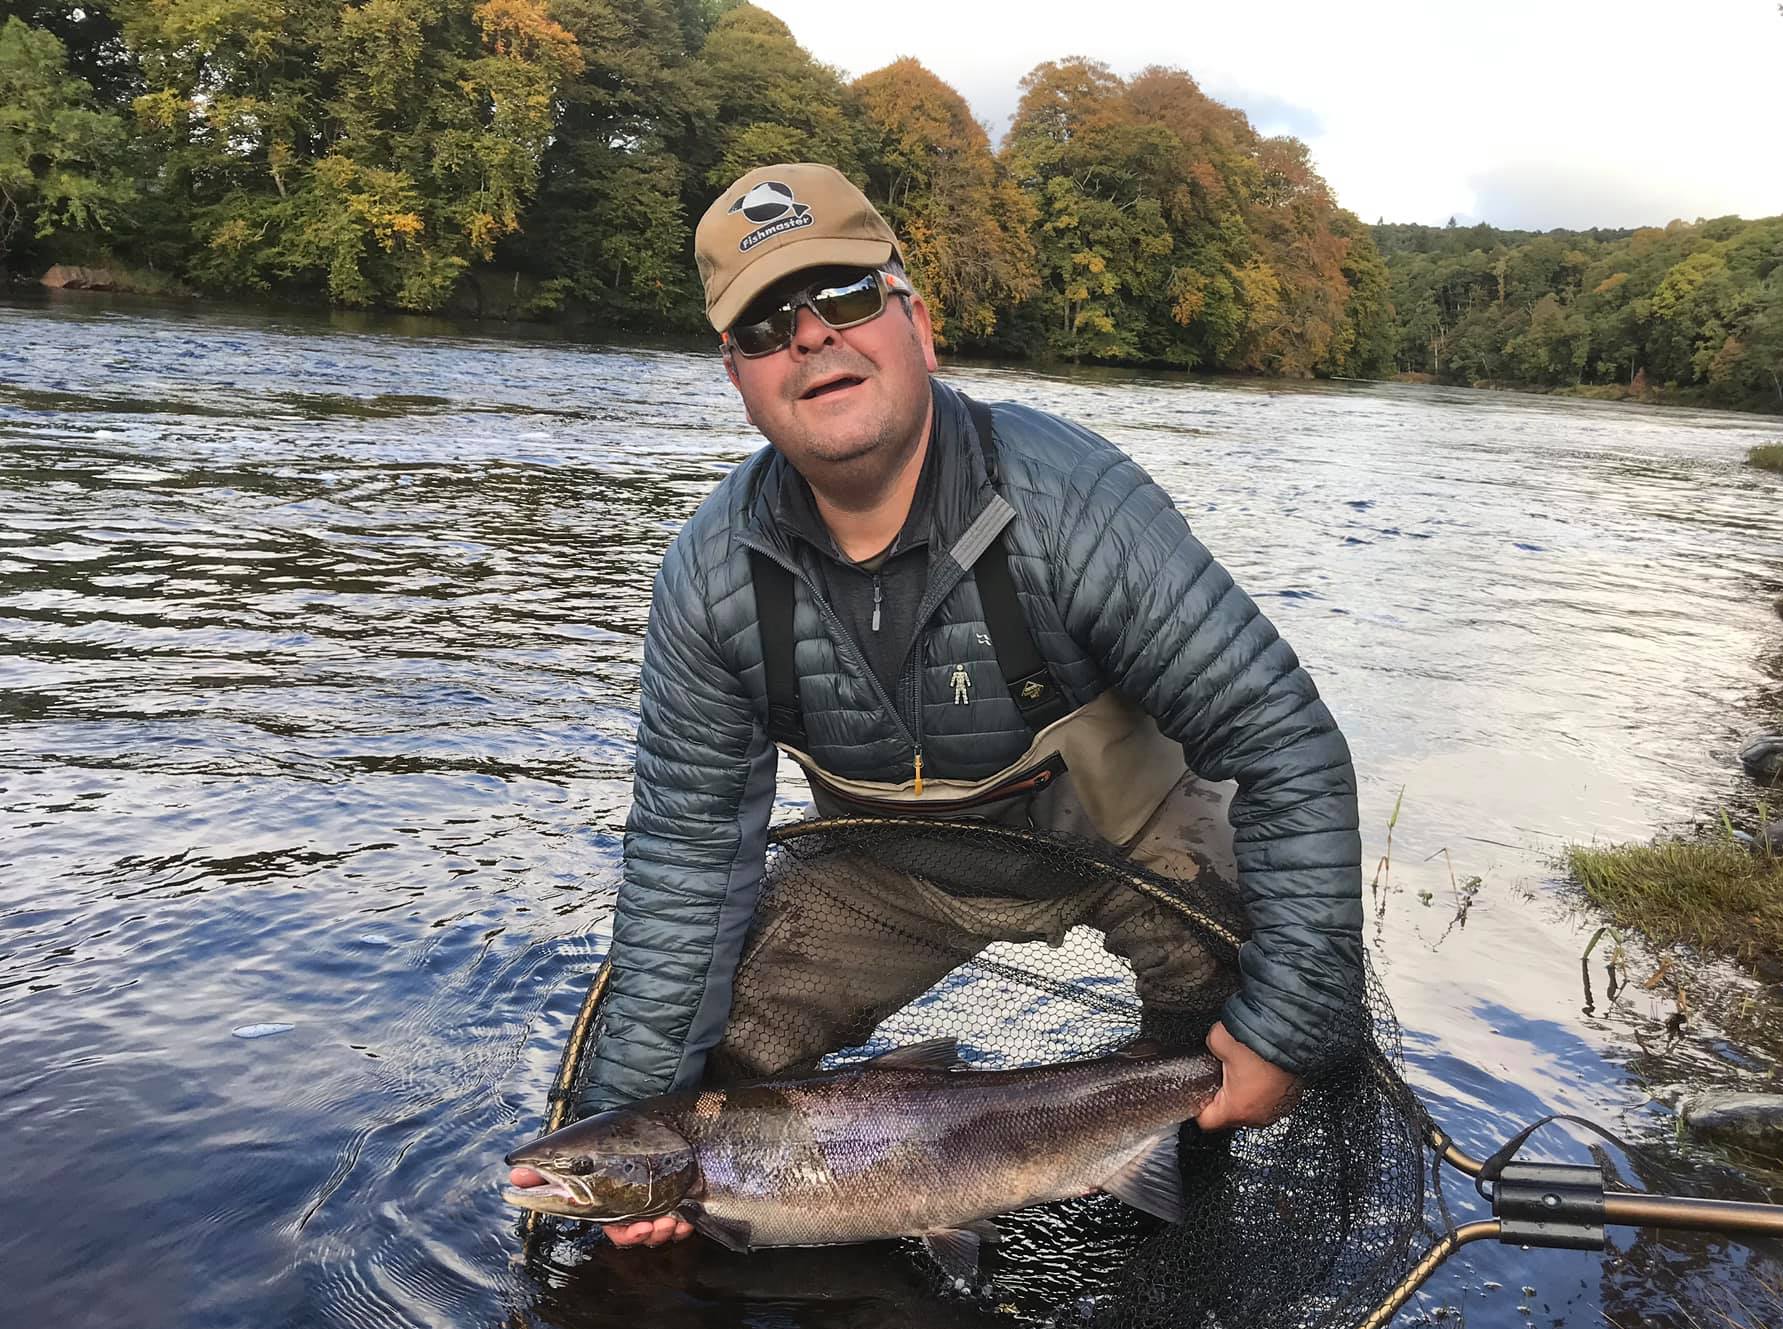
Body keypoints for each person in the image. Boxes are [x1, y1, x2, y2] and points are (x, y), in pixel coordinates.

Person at [508, 164, 1364, 1246]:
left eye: (848, 299)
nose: (811, 337)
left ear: (917, 323)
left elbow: (1282, 744)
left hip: (1131, 844)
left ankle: (1178, 1215)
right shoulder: (710, 579)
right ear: (736, 374)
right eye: (768, 324)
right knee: (717, 1066)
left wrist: (1287, 1025)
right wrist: (622, 1131)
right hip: (893, 874)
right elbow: (686, 855)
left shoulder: (1071, 501)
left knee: (1234, 1022)